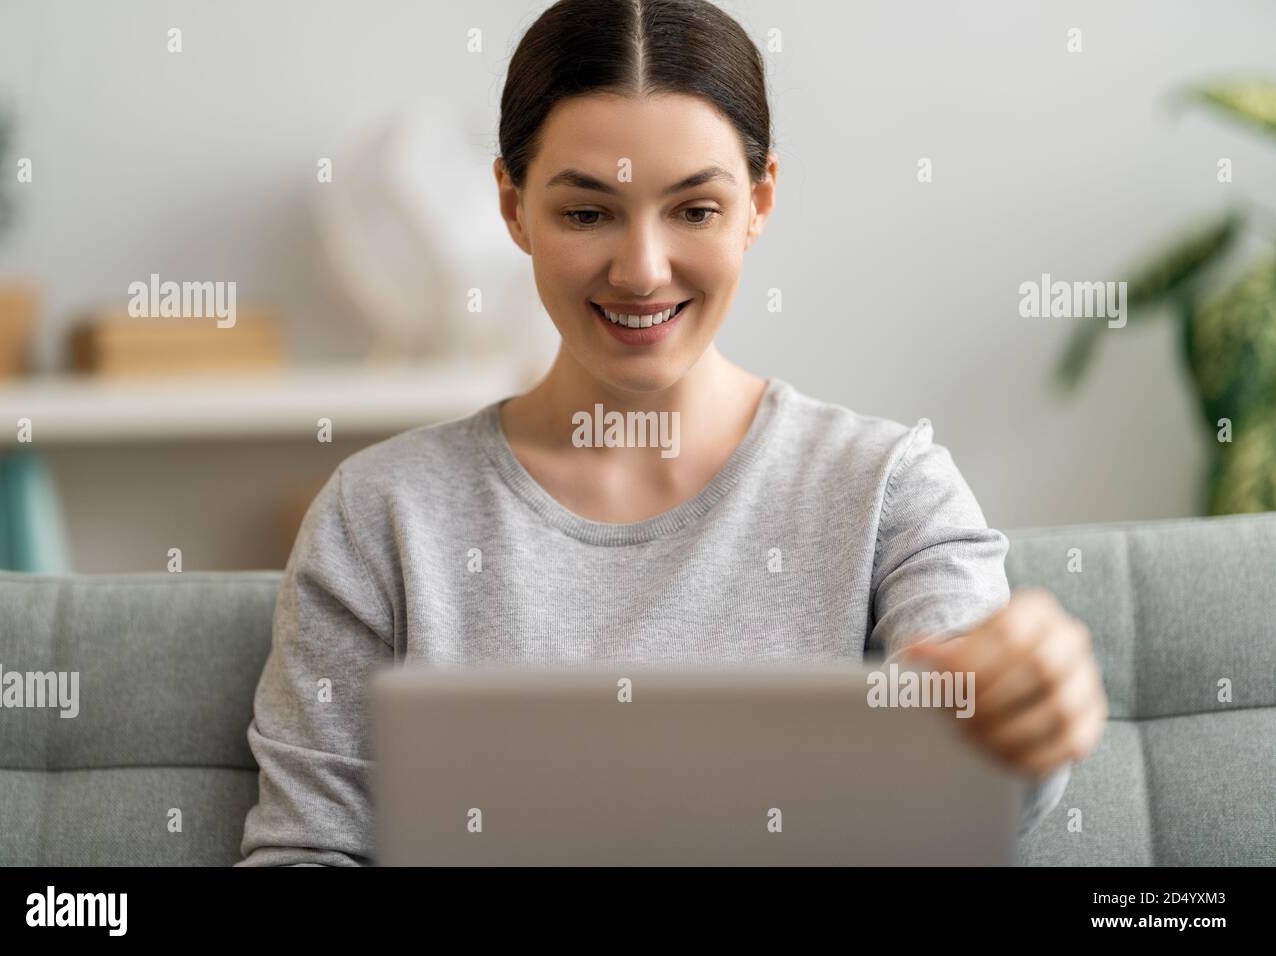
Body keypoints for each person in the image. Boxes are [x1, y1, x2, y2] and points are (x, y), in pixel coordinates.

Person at [237, 0, 1106, 866]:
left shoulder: (889, 487)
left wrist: (1016, 707)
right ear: (512, 207)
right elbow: (303, 853)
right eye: (587, 214)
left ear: (759, 202)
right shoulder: (380, 514)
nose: (642, 271)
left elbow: (975, 759)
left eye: (694, 211)